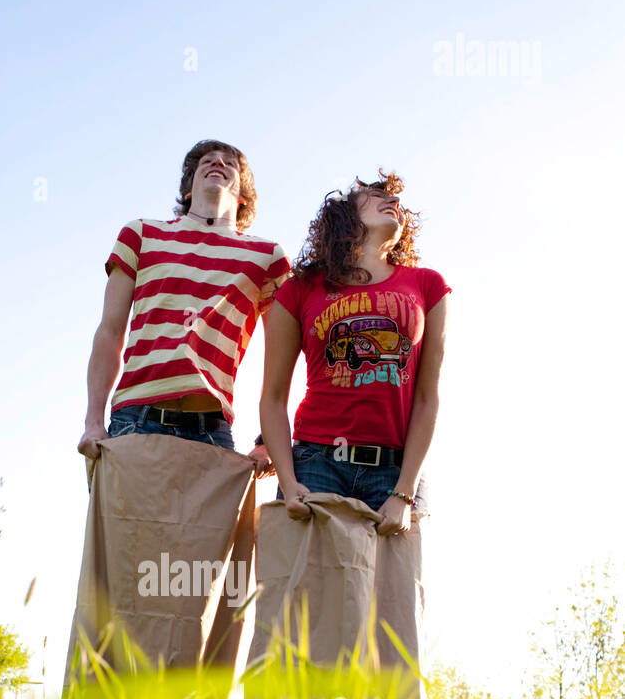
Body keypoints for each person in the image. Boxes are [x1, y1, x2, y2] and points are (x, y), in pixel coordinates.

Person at [77, 139, 289, 462]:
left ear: (244, 197)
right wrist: (93, 422)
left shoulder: (267, 258)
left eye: (230, 162)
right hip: (134, 419)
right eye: (207, 160)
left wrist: (266, 440)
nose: (217, 162)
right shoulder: (141, 235)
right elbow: (109, 332)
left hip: (211, 430)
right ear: (188, 190)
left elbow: (282, 356)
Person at [259, 170, 449, 528]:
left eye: (395, 200)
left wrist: (404, 492)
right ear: (346, 215)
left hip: (396, 471)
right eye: (377, 196)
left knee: (395, 584)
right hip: (316, 463)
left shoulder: (428, 286)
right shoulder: (299, 290)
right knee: (309, 583)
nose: (392, 202)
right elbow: (272, 397)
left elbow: (427, 398)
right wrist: (288, 480)